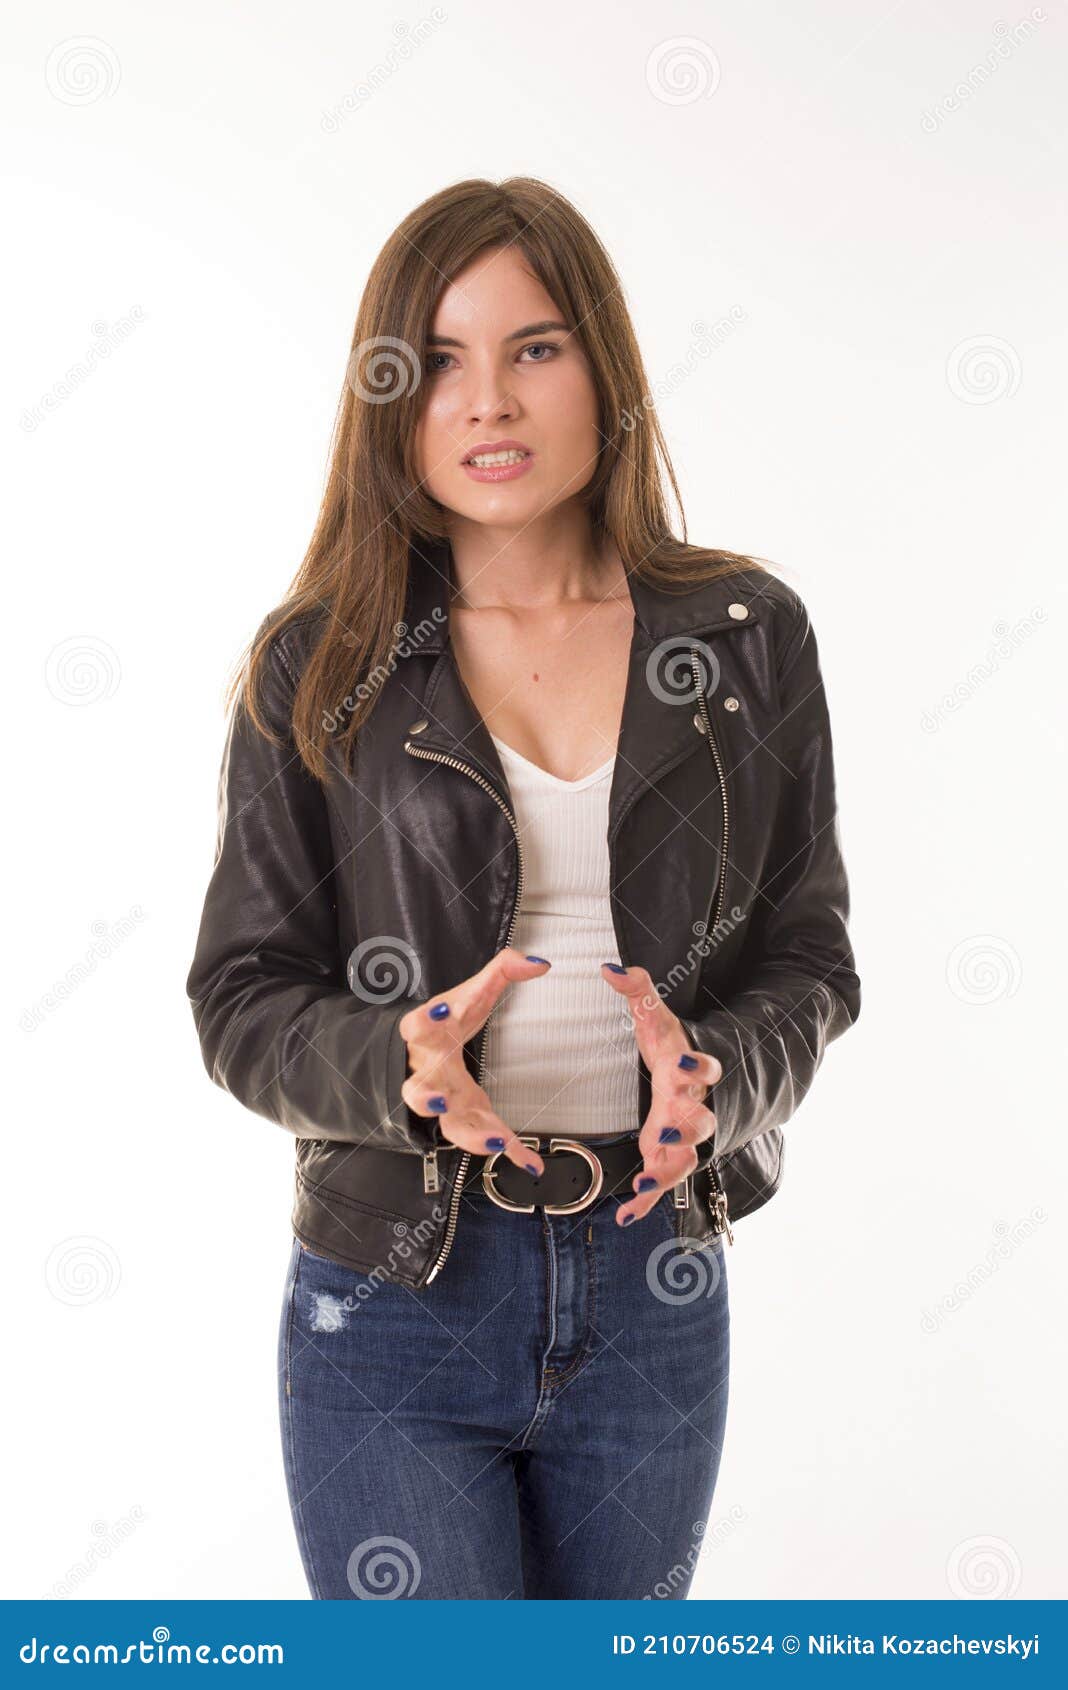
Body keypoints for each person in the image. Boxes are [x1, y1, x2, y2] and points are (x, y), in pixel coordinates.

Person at [185, 176, 861, 1601]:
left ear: (602, 370)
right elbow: (242, 997)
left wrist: (721, 1074)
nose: (486, 401)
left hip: (654, 1283)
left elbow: (812, 955)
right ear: (390, 397)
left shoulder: (746, 636)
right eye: (436, 361)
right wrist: (399, 1066)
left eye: (535, 349)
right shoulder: (319, 662)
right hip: (394, 1294)